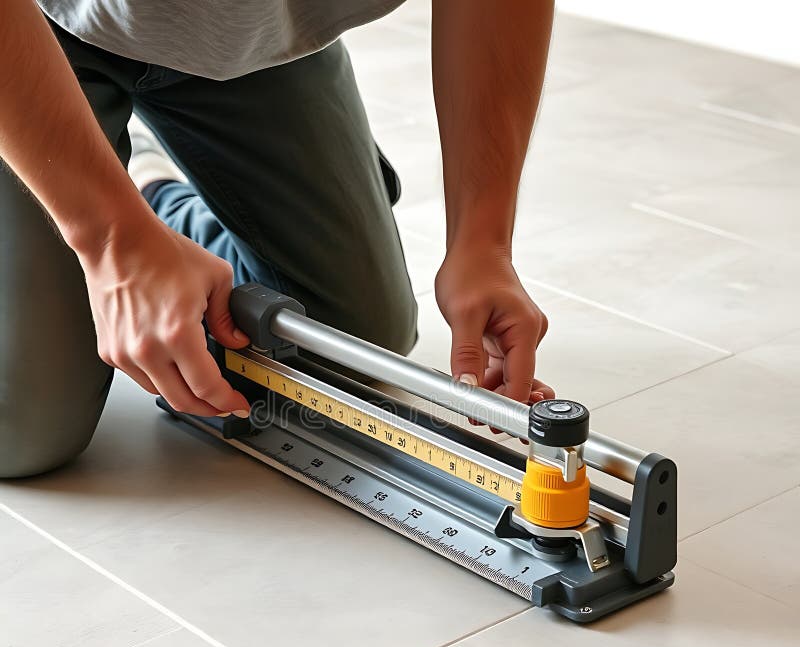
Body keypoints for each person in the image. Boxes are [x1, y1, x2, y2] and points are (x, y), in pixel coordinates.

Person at [0, 0, 554, 478]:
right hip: (34, 33)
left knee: (344, 349)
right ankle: (110, 205)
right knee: (24, 433)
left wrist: (483, 244)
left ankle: (149, 190)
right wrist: (110, 239)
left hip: (248, 36)